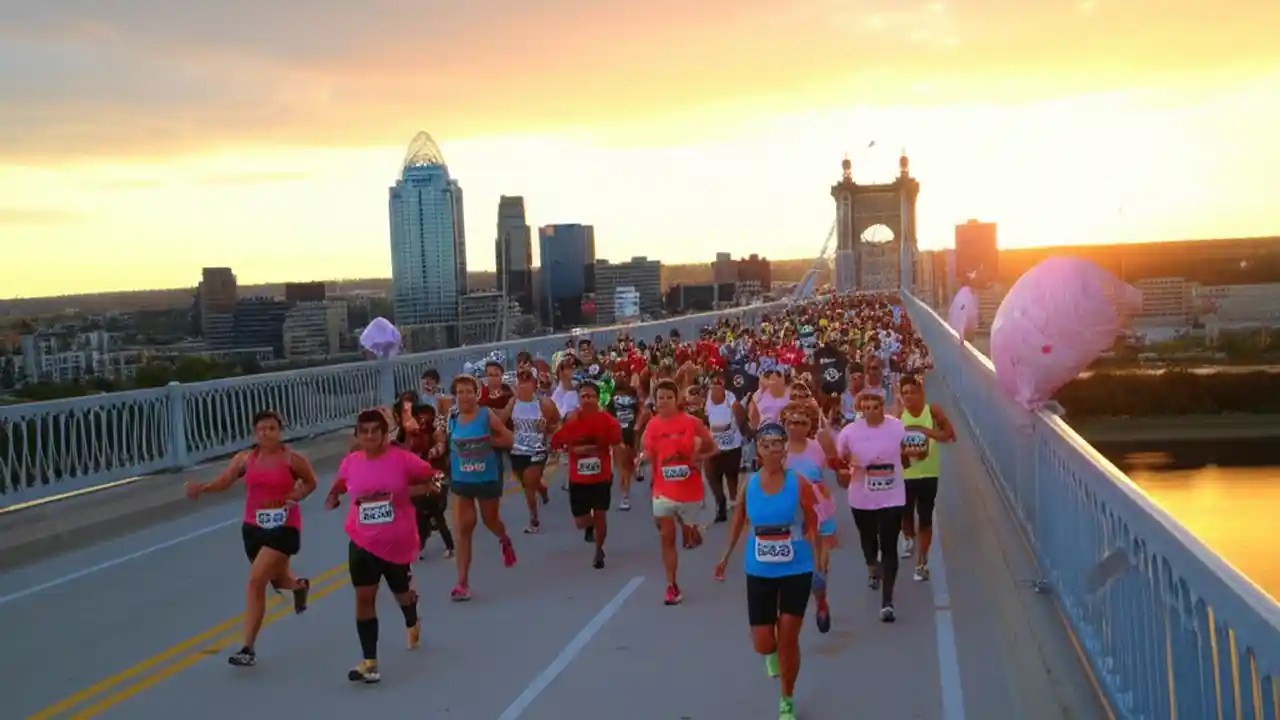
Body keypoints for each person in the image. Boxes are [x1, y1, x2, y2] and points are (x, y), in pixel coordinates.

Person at [186, 410, 316, 667]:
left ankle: (247, 648)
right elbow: (225, 481)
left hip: (284, 527)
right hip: (254, 528)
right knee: (277, 579)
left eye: (271, 428)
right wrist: (203, 488)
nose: (266, 433)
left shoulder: (292, 459)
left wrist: (295, 496)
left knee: (256, 581)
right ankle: (299, 586)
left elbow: (310, 482)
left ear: (280, 431)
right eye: (261, 429)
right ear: (254, 433)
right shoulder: (245, 459)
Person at [324, 409, 440, 683]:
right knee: (364, 598)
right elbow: (341, 485)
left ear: (384, 434)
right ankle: (370, 662)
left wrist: (416, 491)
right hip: (362, 540)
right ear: (357, 435)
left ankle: (411, 618)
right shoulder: (351, 462)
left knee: (400, 593)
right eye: (363, 431)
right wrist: (333, 497)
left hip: (396, 541)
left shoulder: (403, 460)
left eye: (375, 431)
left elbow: (432, 477)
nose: (369, 436)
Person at [714, 422, 820, 720]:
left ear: (785, 449)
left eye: (778, 444)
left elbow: (814, 525)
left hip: (796, 568)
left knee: (789, 637)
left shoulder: (799, 483)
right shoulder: (749, 484)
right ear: (757, 450)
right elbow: (737, 521)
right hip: (760, 569)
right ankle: (770, 654)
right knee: (764, 643)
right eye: (766, 445)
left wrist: (821, 563)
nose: (773, 450)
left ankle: (787, 698)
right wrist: (725, 556)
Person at [441, 375, 518, 601]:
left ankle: (503, 537)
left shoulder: (486, 415)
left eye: (468, 391)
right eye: (460, 392)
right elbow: (447, 442)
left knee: (490, 520)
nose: (464, 396)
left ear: (477, 394)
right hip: (461, 481)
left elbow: (510, 440)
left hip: (486, 478)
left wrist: (486, 442)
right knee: (463, 530)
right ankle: (462, 582)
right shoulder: (452, 416)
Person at [836, 391, 910, 622]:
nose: (870, 411)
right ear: (860, 409)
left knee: (889, 545)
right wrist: (849, 462)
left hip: (892, 495)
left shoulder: (897, 427)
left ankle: (887, 602)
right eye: (865, 408)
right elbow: (841, 460)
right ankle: (871, 564)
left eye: (875, 407)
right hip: (862, 496)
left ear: (882, 407)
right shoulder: (849, 432)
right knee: (869, 540)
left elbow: (907, 454)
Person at [642, 379, 716, 605]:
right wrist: (642, 459)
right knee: (666, 537)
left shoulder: (692, 423)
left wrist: (695, 459)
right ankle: (671, 585)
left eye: (668, 397)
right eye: (660, 397)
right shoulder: (652, 426)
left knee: (688, 535)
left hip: (689, 490)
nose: (664, 401)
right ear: (654, 401)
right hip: (662, 489)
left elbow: (713, 447)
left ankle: (692, 529)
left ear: (677, 400)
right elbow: (648, 452)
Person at [779, 401, 839, 634]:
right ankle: (789, 608)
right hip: (789, 513)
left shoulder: (817, 447)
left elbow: (833, 470)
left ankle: (820, 601)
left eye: (802, 423)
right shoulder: (777, 450)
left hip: (819, 508)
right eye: (791, 422)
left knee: (819, 564)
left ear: (809, 426)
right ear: (784, 424)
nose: (796, 427)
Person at [551, 381, 623, 568]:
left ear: (597, 398)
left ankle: (599, 550)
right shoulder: (572, 420)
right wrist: (572, 446)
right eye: (583, 396)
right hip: (578, 478)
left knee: (600, 513)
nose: (587, 400)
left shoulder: (607, 421)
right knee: (580, 521)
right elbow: (557, 442)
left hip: (601, 477)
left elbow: (616, 442)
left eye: (590, 396)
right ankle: (589, 526)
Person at [897, 374, 956, 580]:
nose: (909, 397)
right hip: (904, 475)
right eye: (905, 393)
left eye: (913, 392)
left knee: (925, 517)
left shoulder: (932, 411)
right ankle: (908, 537)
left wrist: (925, 430)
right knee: (904, 517)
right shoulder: (898, 415)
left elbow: (949, 434)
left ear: (921, 392)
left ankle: (922, 561)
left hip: (928, 473)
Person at [392, 398, 455, 560]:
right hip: (417, 479)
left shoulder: (433, 428)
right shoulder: (403, 434)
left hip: (435, 474)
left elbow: (442, 440)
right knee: (421, 515)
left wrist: (438, 448)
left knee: (436, 512)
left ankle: (449, 546)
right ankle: (419, 546)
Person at [507, 368, 559, 533]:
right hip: (517, 450)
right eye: (520, 380)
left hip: (537, 449)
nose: (523, 384)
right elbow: (500, 420)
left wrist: (547, 431)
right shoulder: (513, 402)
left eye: (528, 380)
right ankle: (542, 489)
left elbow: (557, 424)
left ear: (535, 384)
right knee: (527, 484)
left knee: (529, 483)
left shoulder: (544, 404)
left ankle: (533, 519)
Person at [704, 370, 748, 523]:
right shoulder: (705, 399)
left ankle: (734, 503)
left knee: (731, 477)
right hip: (712, 448)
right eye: (713, 383)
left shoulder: (731, 399)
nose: (716, 386)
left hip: (732, 447)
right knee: (712, 477)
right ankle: (720, 502)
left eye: (719, 383)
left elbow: (741, 415)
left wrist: (745, 432)